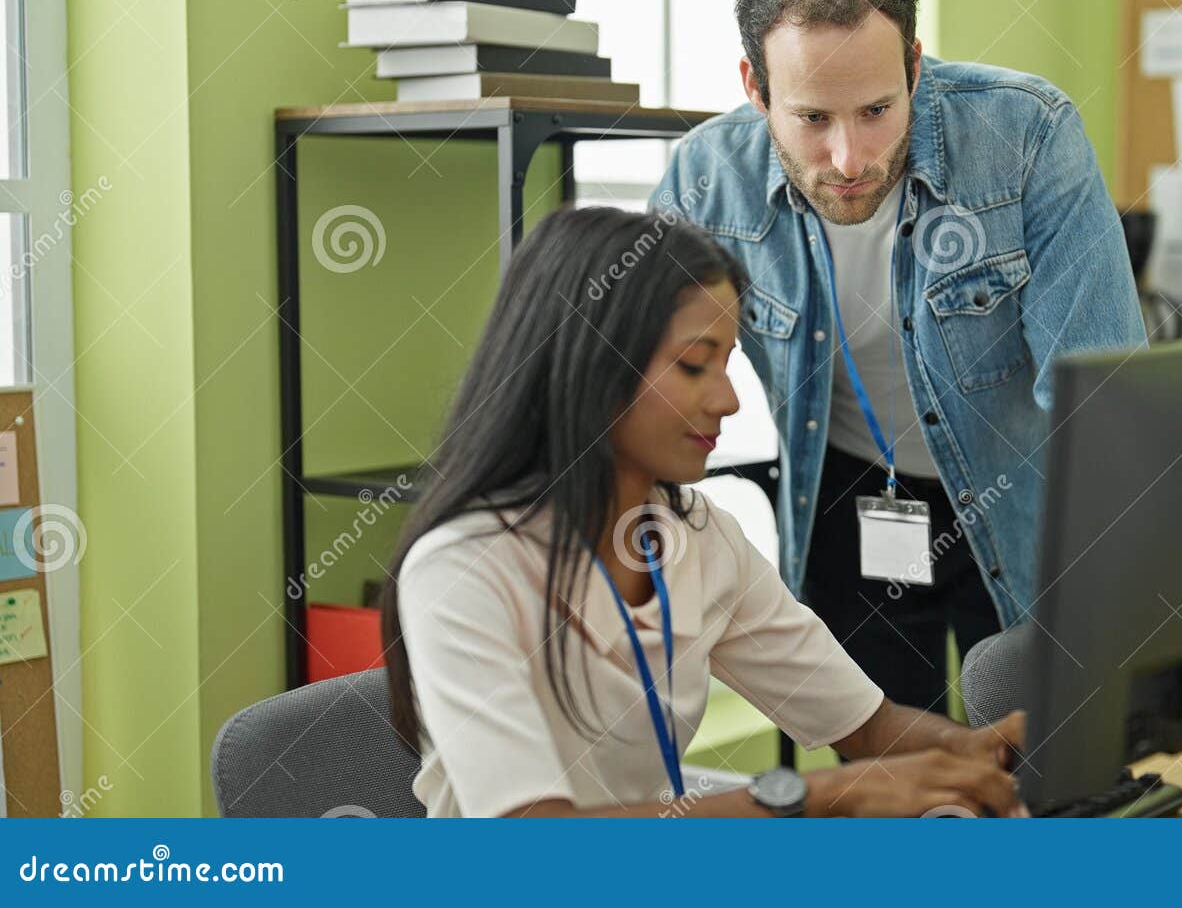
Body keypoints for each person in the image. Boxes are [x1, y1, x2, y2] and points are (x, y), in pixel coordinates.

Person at [380, 207, 1024, 817]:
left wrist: (976, 752)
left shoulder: (699, 536)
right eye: (693, 365)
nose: (727, 400)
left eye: (728, 363)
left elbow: (869, 726)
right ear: (593, 363)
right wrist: (822, 796)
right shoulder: (462, 569)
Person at [650, 0, 1146, 713]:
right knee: (893, 775)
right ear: (755, 85)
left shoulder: (1026, 136)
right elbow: (643, 376)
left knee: (1042, 772)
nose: (849, 158)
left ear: (914, 66)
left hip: (1020, 497)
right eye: (812, 118)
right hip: (851, 496)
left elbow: (1102, 385)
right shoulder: (704, 179)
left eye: (877, 111)